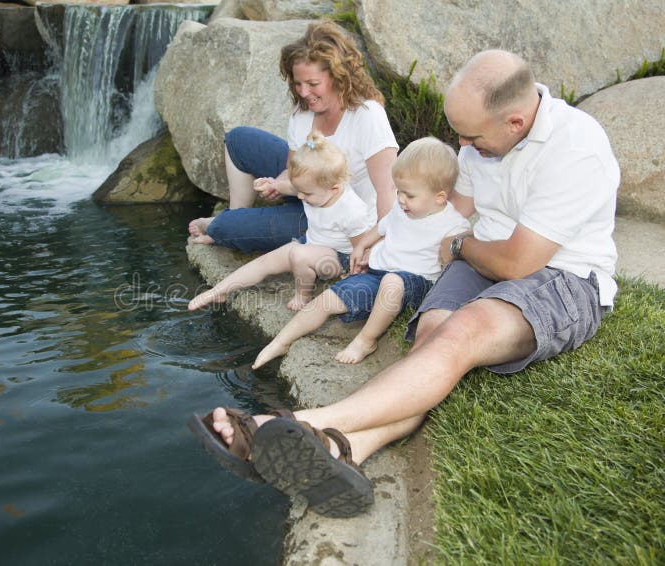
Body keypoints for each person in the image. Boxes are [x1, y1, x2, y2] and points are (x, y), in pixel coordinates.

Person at [188, 49, 620, 518]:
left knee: (461, 333)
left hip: (561, 276)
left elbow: (517, 263)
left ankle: (294, 424)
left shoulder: (576, 148)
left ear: (515, 123)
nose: (463, 145)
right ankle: (345, 448)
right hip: (480, 254)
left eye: (472, 137)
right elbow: (452, 206)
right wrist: (388, 231)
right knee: (431, 342)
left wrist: (458, 248)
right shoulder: (484, 137)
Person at [253, 137, 470, 368]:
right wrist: (361, 245)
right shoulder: (402, 208)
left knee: (392, 282)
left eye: (410, 195)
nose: (401, 200)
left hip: (415, 282)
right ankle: (281, 341)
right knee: (328, 299)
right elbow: (383, 226)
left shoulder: (454, 226)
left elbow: (455, 266)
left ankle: (366, 340)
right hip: (378, 275)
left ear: (440, 196)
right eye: (399, 192)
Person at [187, 20, 398, 253]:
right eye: (298, 84)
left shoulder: (367, 115)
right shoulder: (303, 114)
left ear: (339, 78)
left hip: (335, 218)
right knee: (238, 139)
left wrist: (374, 246)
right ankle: (238, 214)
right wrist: (276, 183)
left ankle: (223, 226)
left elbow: (387, 190)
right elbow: (292, 170)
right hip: (306, 190)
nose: (304, 92)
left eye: (312, 83)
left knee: (225, 227)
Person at [188, 132, 374, 312]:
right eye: (299, 190)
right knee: (266, 261)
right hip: (313, 242)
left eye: (306, 194)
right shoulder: (316, 190)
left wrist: (354, 274)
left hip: (338, 257)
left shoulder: (351, 211)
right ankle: (219, 291)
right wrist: (272, 185)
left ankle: (303, 295)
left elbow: (361, 248)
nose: (300, 196)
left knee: (298, 255)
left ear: (334, 189)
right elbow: (290, 187)